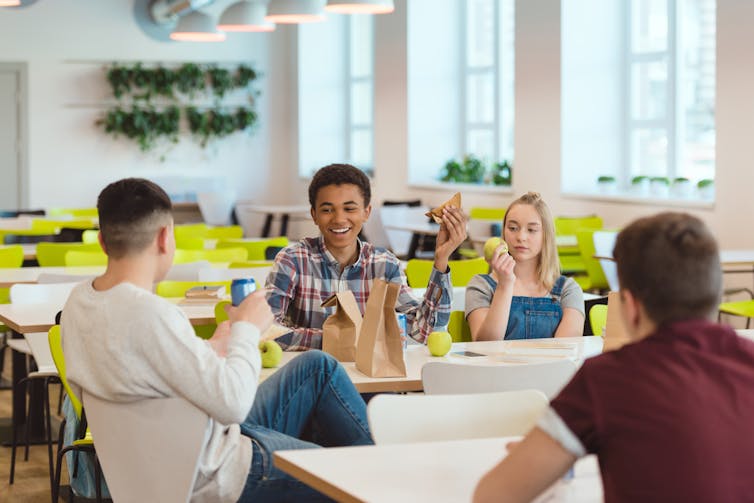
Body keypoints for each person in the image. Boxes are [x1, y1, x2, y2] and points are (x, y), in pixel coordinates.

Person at [61, 178, 373, 502]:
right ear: (166, 238)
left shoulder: (78, 302)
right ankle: (385, 478)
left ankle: (378, 471)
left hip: (182, 446)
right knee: (346, 472)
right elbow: (234, 404)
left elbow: (143, 375)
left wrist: (216, 344)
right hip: (215, 470)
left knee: (317, 368)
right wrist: (247, 330)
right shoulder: (151, 314)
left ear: (101, 241)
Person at [474, 212, 754, 502]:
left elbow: (491, 495)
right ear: (717, 296)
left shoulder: (605, 380)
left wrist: (542, 460)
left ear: (629, 305)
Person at [266, 163, 467, 351]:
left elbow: (424, 332)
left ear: (366, 212)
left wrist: (441, 260)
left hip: (371, 380)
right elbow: (268, 329)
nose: (339, 219)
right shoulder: (292, 260)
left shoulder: (384, 265)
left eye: (349, 208)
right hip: (313, 378)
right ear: (314, 214)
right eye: (327, 210)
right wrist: (339, 339)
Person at [465, 192, 584, 340]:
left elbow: (565, 350)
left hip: (548, 364)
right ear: (503, 232)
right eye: (513, 228)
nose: (521, 237)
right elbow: (485, 346)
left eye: (532, 230)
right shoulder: (481, 286)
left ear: (546, 235)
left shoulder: (568, 290)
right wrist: (505, 285)